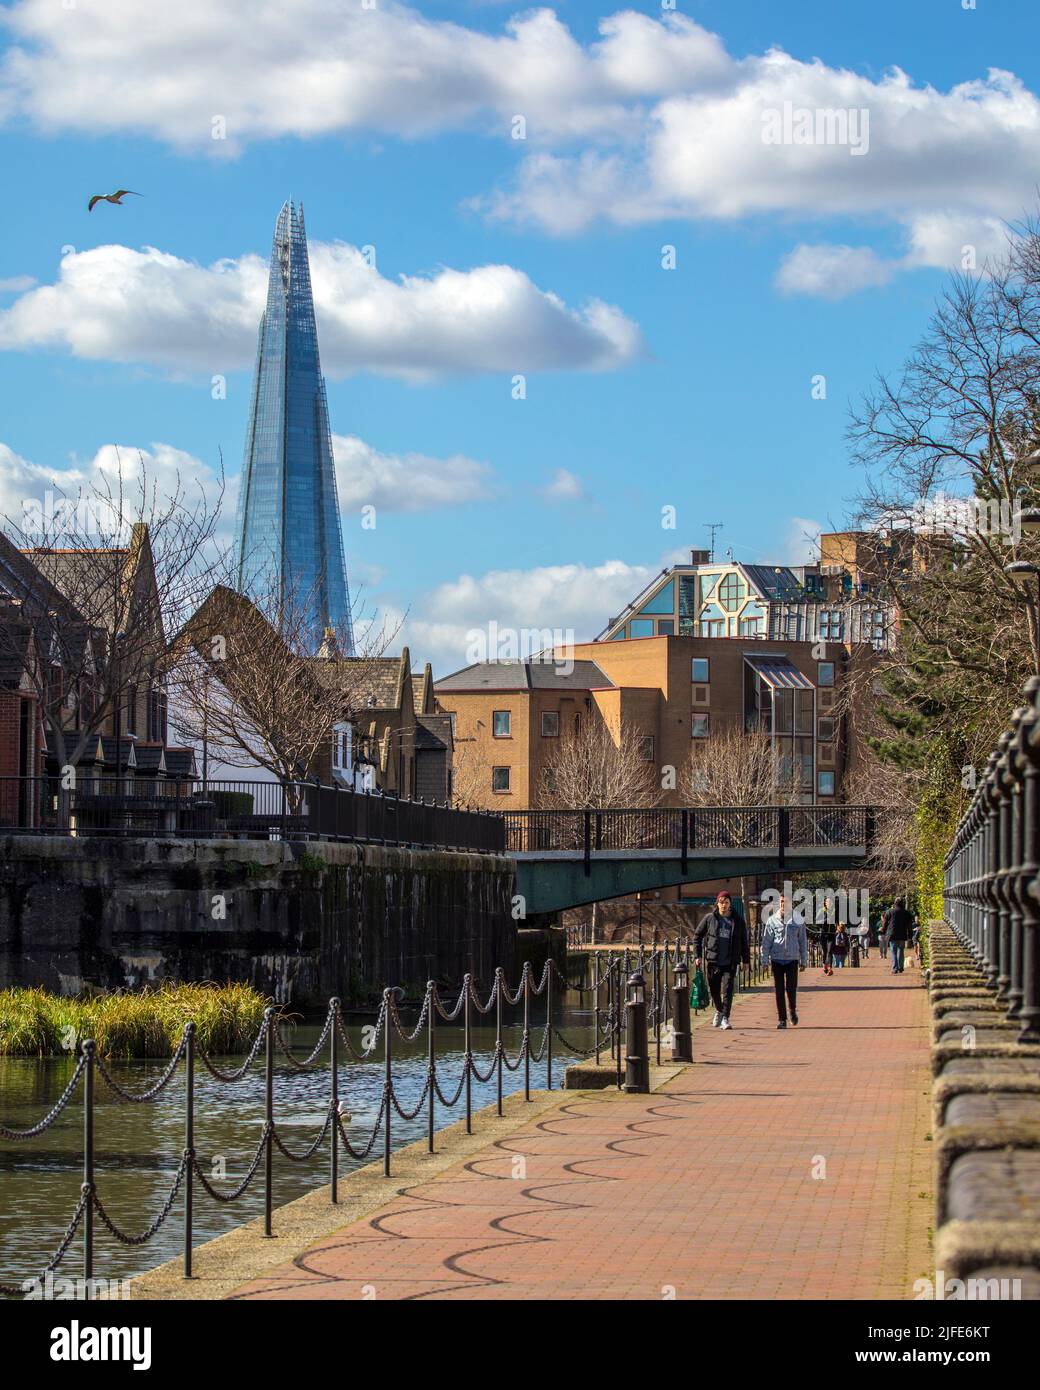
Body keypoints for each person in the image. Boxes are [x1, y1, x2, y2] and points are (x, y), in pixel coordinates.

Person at [694, 890, 749, 1031]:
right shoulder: (709, 918)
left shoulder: (737, 920)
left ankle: (725, 1017)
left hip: (730, 962)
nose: (723, 905)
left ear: (730, 904)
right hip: (713, 962)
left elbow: (744, 941)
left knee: (728, 990)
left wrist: (746, 960)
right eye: (721, 902)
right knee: (714, 991)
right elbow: (697, 936)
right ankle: (719, 1010)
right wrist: (697, 956)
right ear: (717, 903)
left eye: (726, 902)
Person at [762, 892, 807, 1029]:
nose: (783, 904)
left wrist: (803, 960)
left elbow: (802, 941)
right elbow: (766, 941)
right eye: (781, 902)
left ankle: (792, 1010)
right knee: (779, 990)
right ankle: (782, 1019)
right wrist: (764, 960)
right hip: (777, 959)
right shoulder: (772, 921)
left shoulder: (798, 919)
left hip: (792, 959)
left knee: (791, 988)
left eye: (786, 902)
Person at [886, 897, 914, 974]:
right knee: (901, 951)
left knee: (893, 951)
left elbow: (885, 922)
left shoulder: (890, 911)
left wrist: (884, 930)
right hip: (902, 934)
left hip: (892, 934)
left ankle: (895, 967)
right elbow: (909, 926)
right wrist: (910, 936)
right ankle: (901, 967)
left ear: (895, 903)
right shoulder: (907, 913)